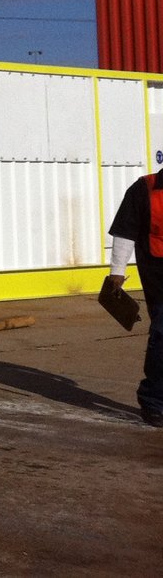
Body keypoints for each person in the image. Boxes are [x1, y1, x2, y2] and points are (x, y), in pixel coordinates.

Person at [103, 168, 163, 427]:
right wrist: (117, 272)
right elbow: (125, 231)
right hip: (159, 276)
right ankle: (154, 401)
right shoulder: (143, 189)